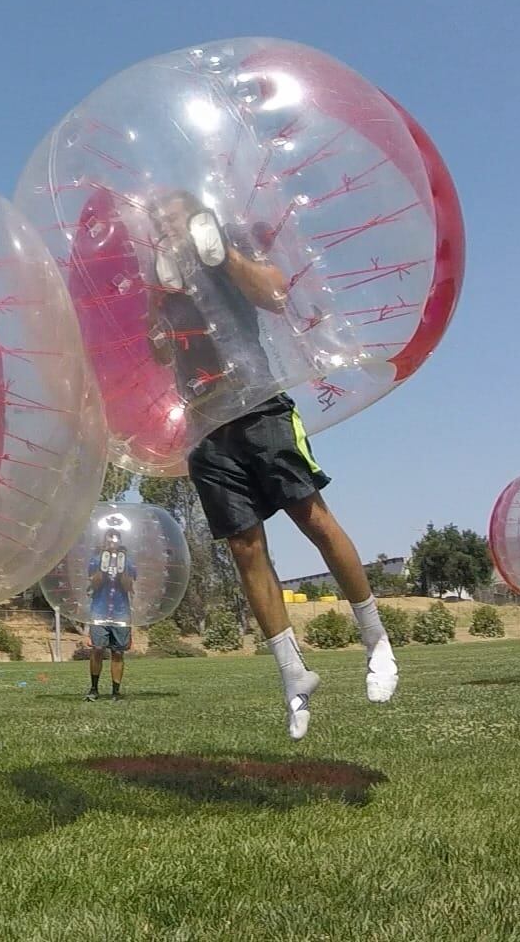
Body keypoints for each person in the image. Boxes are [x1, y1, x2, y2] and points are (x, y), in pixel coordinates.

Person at [145, 190, 397, 741]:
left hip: (260, 405)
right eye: (154, 217)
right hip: (205, 425)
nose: (161, 221)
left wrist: (218, 255)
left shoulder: (224, 240)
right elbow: (162, 352)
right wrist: (157, 326)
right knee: (244, 547)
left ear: (191, 210)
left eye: (169, 211)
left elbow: (275, 293)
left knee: (313, 520)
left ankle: (375, 637)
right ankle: (292, 675)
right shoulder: (159, 274)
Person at [85, 529, 135, 701]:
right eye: (109, 539)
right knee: (97, 649)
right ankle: (94, 689)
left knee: (118, 652)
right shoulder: (95, 560)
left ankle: (116, 691)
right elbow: (94, 584)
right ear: (104, 541)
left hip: (121, 613)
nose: (112, 542)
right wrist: (102, 567)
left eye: (115, 539)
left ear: (120, 541)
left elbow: (129, 587)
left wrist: (122, 571)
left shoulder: (128, 561)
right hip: (99, 611)